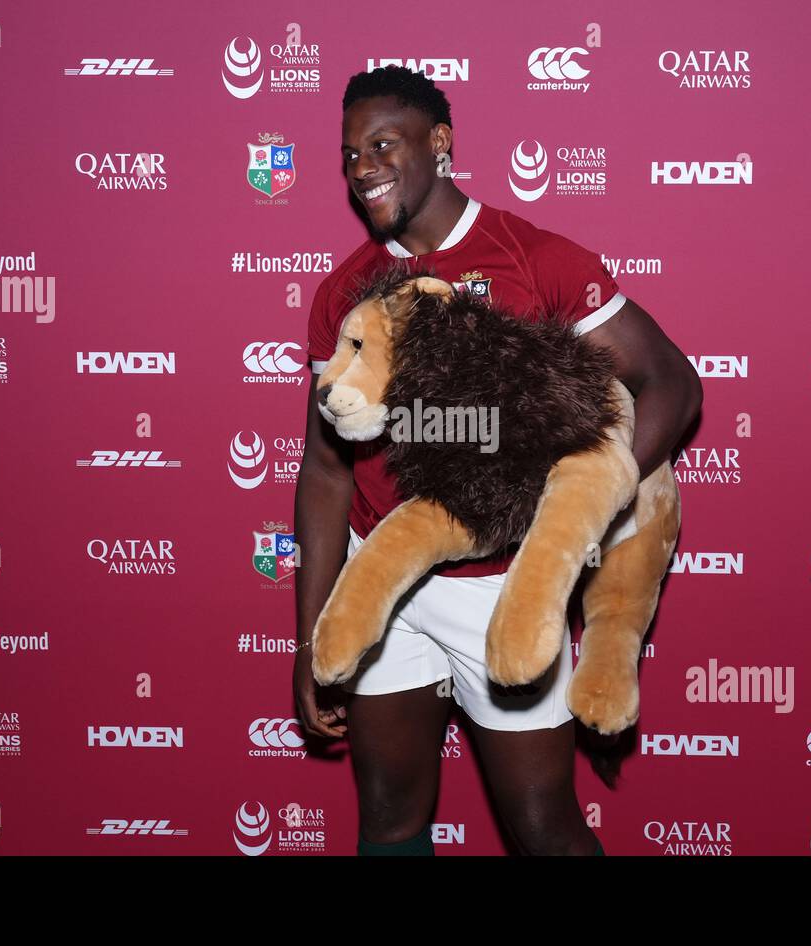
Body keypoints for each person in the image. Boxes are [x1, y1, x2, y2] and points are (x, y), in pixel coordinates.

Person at [292, 65, 703, 856]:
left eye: (384, 144)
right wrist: (312, 634)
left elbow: (673, 386)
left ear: (439, 143)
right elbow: (325, 469)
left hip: (501, 589)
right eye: (350, 155)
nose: (364, 168)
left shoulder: (534, 258)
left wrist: (574, 510)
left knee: (541, 824)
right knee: (388, 815)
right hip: (383, 580)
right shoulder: (345, 291)